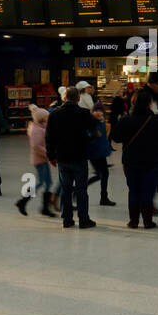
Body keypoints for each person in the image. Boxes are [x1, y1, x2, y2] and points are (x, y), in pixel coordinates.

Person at [110, 88, 158, 228]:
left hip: (130, 161)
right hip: (152, 161)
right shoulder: (157, 121)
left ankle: (133, 221)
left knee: (134, 190)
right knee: (148, 190)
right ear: (149, 104)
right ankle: (148, 221)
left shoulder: (126, 120)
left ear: (133, 103)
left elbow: (115, 137)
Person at [46, 88, 97, 229]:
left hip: (62, 157)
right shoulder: (84, 114)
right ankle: (84, 219)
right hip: (80, 157)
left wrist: (51, 156)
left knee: (66, 190)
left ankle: (67, 219)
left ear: (64, 98)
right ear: (78, 99)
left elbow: (49, 138)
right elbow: (94, 127)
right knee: (81, 190)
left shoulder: (54, 114)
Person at [16, 106, 59, 217]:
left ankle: (44, 207)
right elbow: (36, 146)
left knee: (48, 183)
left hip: (43, 159)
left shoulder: (41, 128)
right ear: (41, 119)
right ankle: (23, 202)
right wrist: (48, 154)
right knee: (41, 182)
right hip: (39, 160)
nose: (48, 118)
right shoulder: (36, 130)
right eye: (46, 117)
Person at [86, 102, 116, 206]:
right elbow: (90, 138)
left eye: (100, 111)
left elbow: (103, 138)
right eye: (95, 111)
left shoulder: (102, 122)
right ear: (92, 112)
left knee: (103, 175)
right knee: (101, 175)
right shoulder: (92, 123)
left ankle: (104, 197)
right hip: (94, 154)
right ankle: (77, 189)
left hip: (100, 153)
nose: (98, 113)